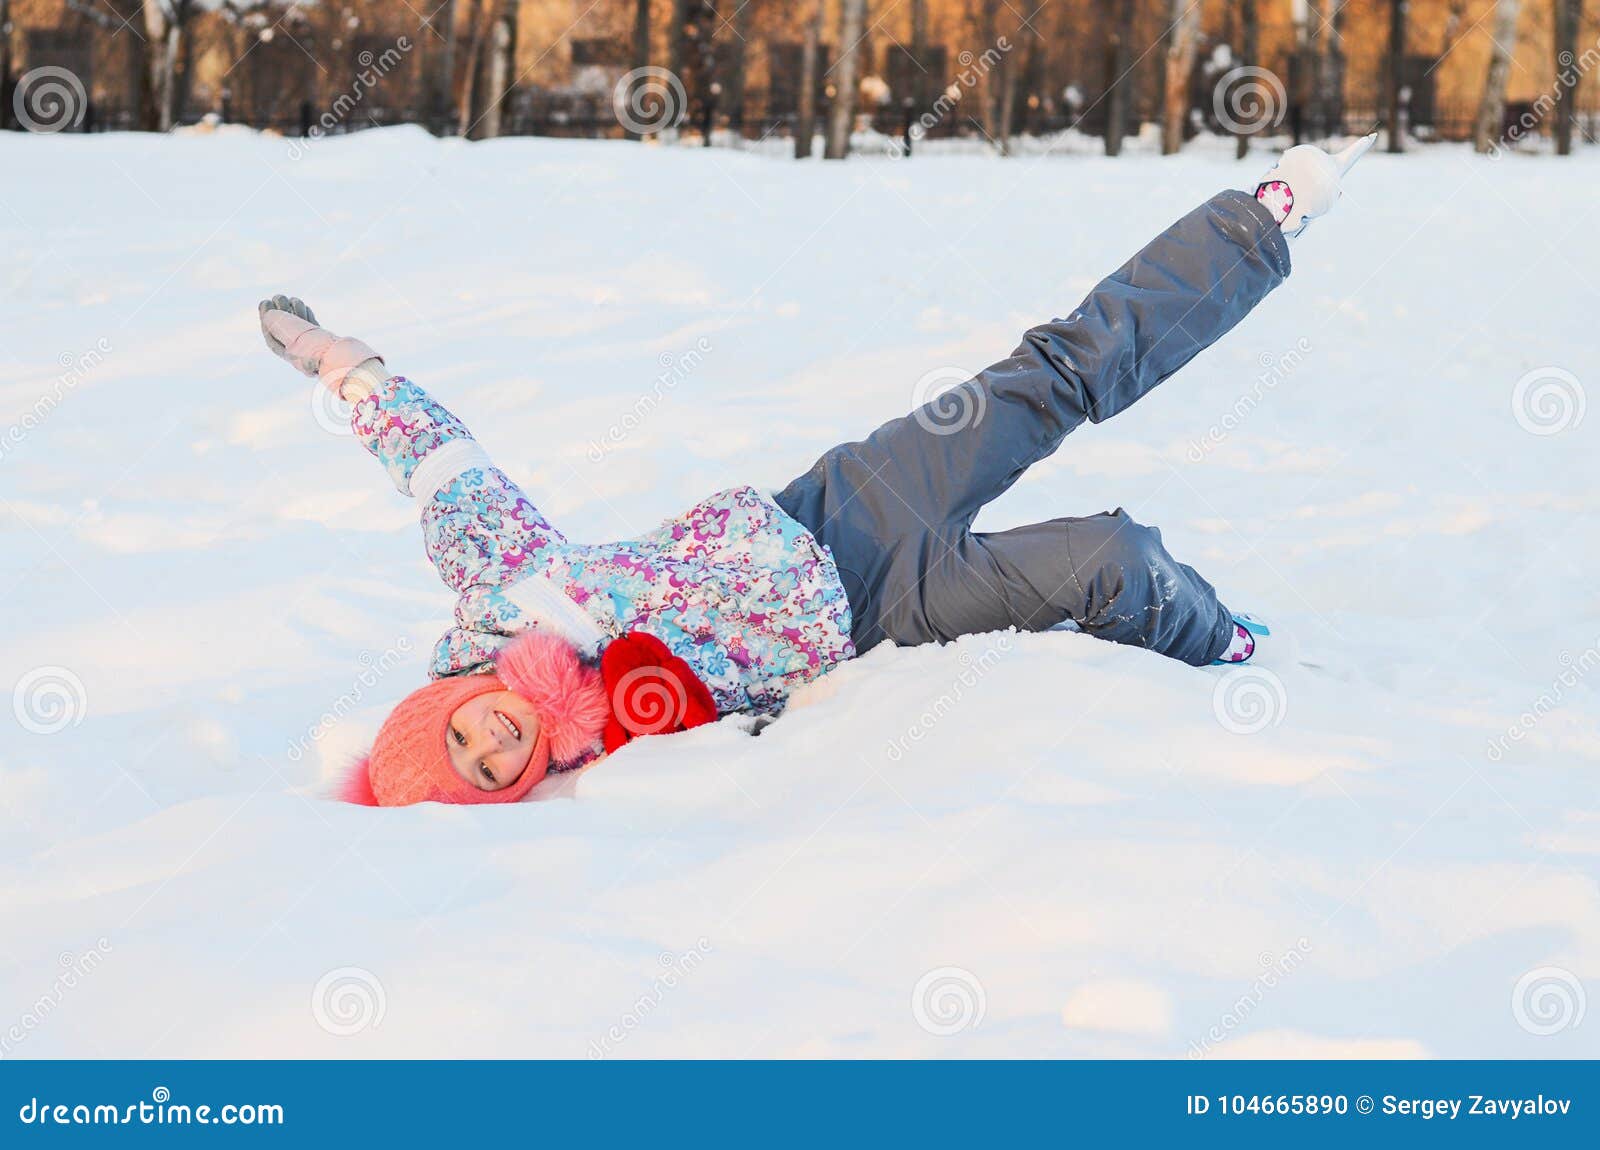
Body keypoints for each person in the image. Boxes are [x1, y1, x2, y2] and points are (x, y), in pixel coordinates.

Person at [259, 135, 1376, 808]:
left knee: (1046, 377)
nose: (493, 740)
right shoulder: (612, 767)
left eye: (462, 732)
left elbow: (446, 474)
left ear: (447, 695)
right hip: (885, 616)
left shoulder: (501, 597)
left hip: (835, 506)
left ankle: (1258, 222)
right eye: (490, 770)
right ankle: (1228, 642)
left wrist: (340, 365)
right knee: (1109, 562)